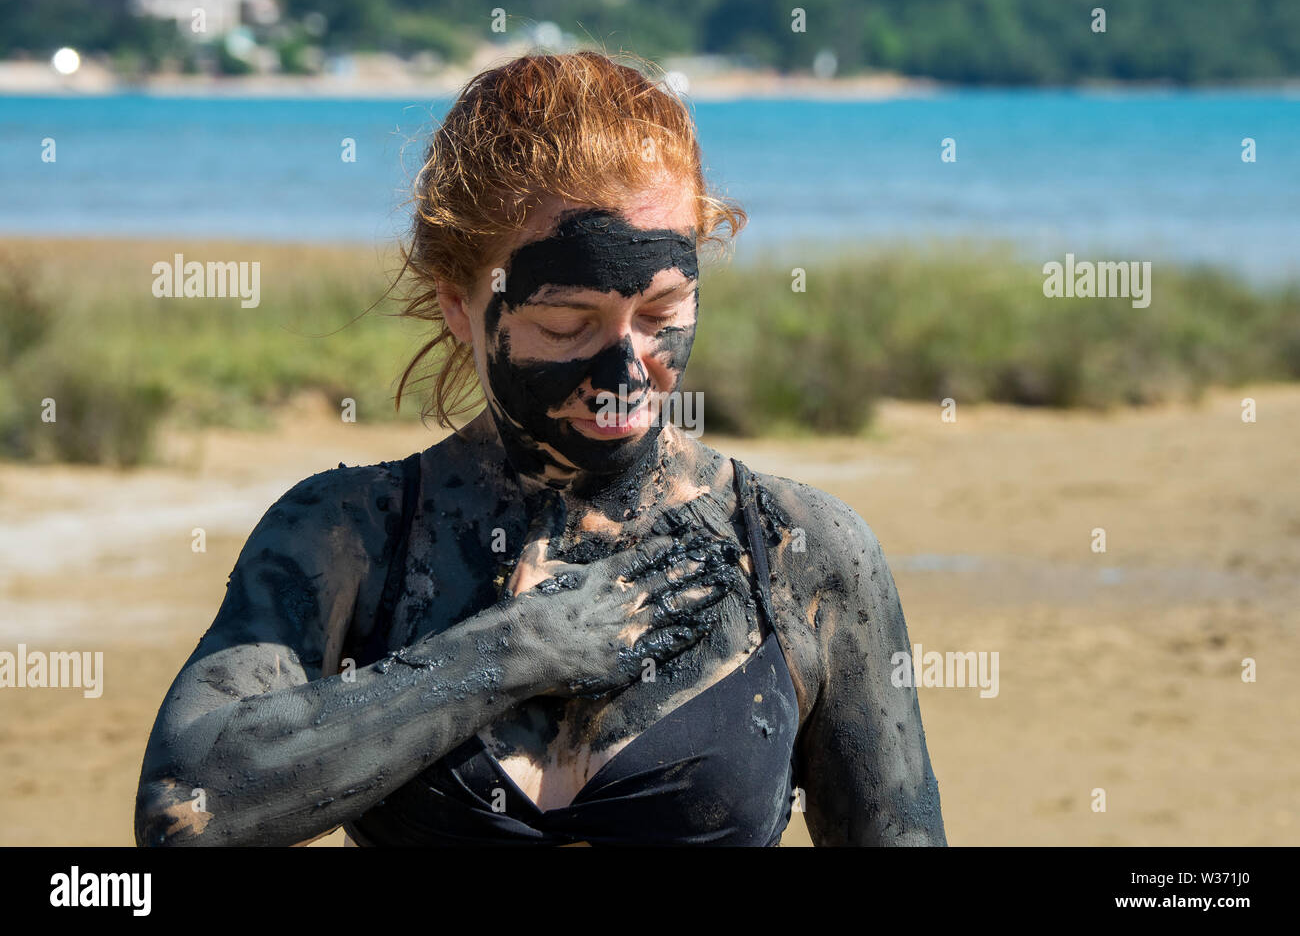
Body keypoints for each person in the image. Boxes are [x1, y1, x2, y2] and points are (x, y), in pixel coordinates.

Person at [134, 50, 946, 847]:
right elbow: (188, 810)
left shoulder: (797, 551)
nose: (628, 372)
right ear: (460, 305)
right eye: (566, 325)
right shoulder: (354, 533)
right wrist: (515, 649)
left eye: (663, 314)